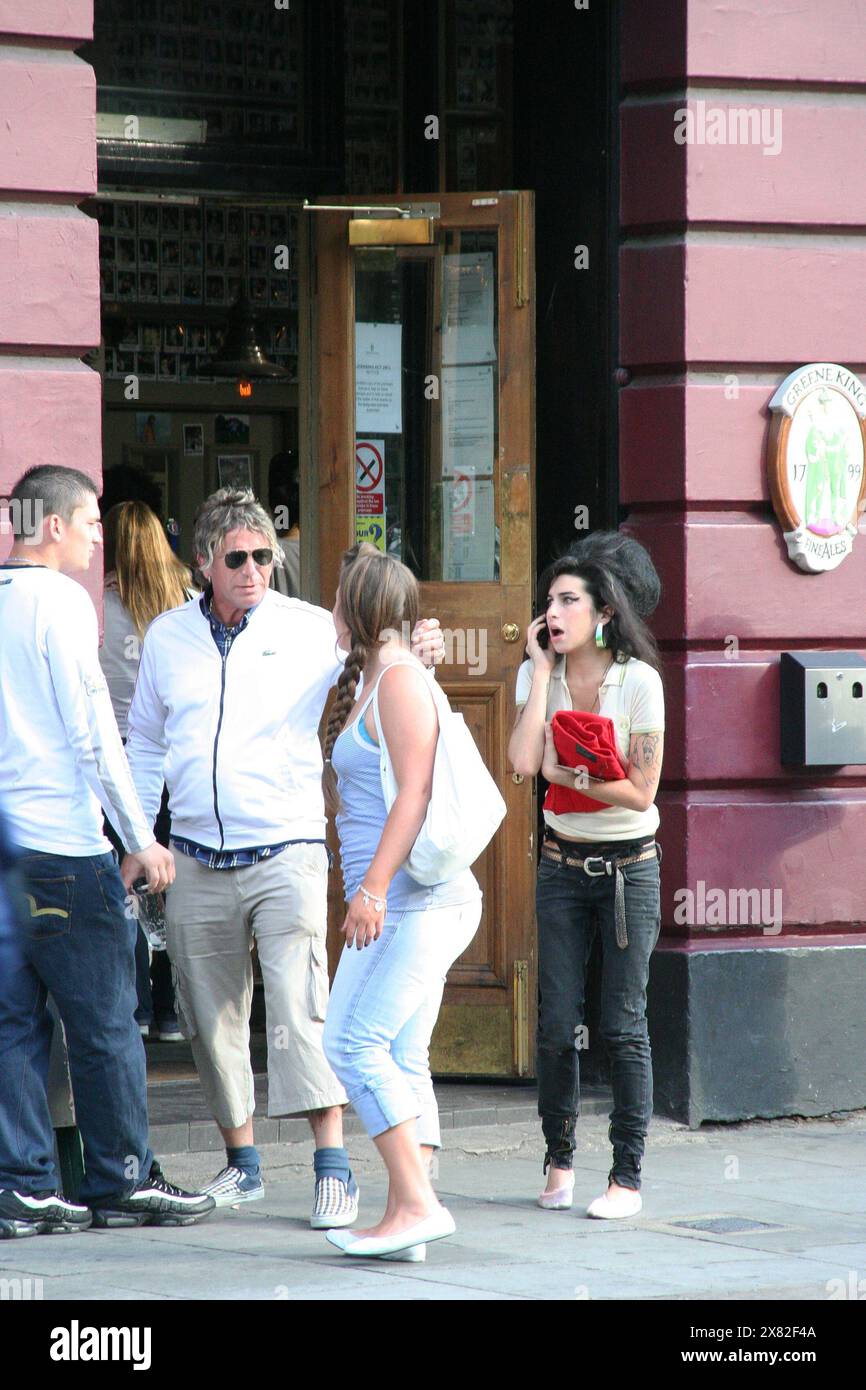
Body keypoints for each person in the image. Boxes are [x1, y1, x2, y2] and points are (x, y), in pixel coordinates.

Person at [125, 489, 444, 1225]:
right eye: (235, 558)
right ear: (203, 561)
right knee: (210, 1017)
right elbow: (145, 740)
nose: (252, 571)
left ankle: (333, 1164)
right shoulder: (167, 637)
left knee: (302, 1008)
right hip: (196, 856)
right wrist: (141, 837)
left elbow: (380, 660)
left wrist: (416, 647)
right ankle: (243, 1164)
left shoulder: (308, 629)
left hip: (289, 847)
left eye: (264, 557)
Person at [0, 465, 215, 1236]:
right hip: (62, 847)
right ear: (51, 525)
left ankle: (23, 1187)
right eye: (90, 522)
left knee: (13, 1025)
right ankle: (120, 1176)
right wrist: (140, 838)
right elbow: (93, 733)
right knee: (104, 1023)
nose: (98, 537)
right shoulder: (60, 604)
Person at [320, 544, 482, 1261]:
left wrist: (372, 889)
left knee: (349, 1042)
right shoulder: (374, 677)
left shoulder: (398, 683)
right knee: (401, 1051)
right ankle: (406, 1217)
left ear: (355, 608)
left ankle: (418, 1202)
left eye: (336, 599)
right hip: (409, 903)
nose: (330, 609)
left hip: (413, 902)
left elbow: (414, 792)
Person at [508, 532, 665, 1220]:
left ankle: (626, 1177)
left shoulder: (638, 681)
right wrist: (541, 674)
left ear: (603, 611)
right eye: (550, 601)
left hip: (630, 871)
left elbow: (641, 792)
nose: (555, 612)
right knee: (556, 1021)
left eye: (569, 600)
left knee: (622, 1023)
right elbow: (520, 762)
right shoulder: (536, 674)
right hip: (561, 866)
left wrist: (572, 775)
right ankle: (559, 1158)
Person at [99, 500, 195, 1042]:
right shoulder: (184, 605)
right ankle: (173, 1010)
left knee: (129, 881)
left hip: (119, 762)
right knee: (176, 881)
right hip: (176, 762)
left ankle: (135, 1008)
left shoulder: (96, 608)